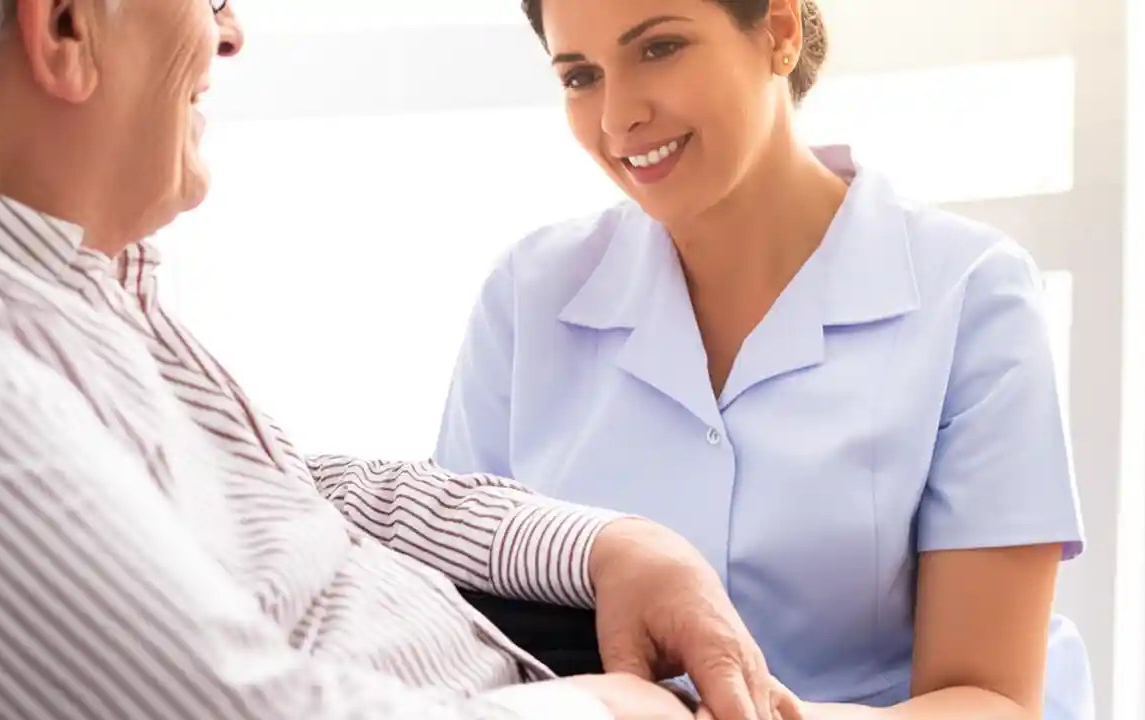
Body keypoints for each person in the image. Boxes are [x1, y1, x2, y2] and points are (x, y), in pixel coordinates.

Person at [0, 1, 798, 718]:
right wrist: (606, 712)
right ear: (64, 27)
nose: (231, 32)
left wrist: (604, 544)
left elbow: (284, 489)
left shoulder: (60, 284)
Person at [435, 0, 1093, 717]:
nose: (617, 117)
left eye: (659, 49)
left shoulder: (969, 293)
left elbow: (991, 699)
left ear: (779, 30)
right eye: (580, 76)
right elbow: (454, 625)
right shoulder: (527, 296)